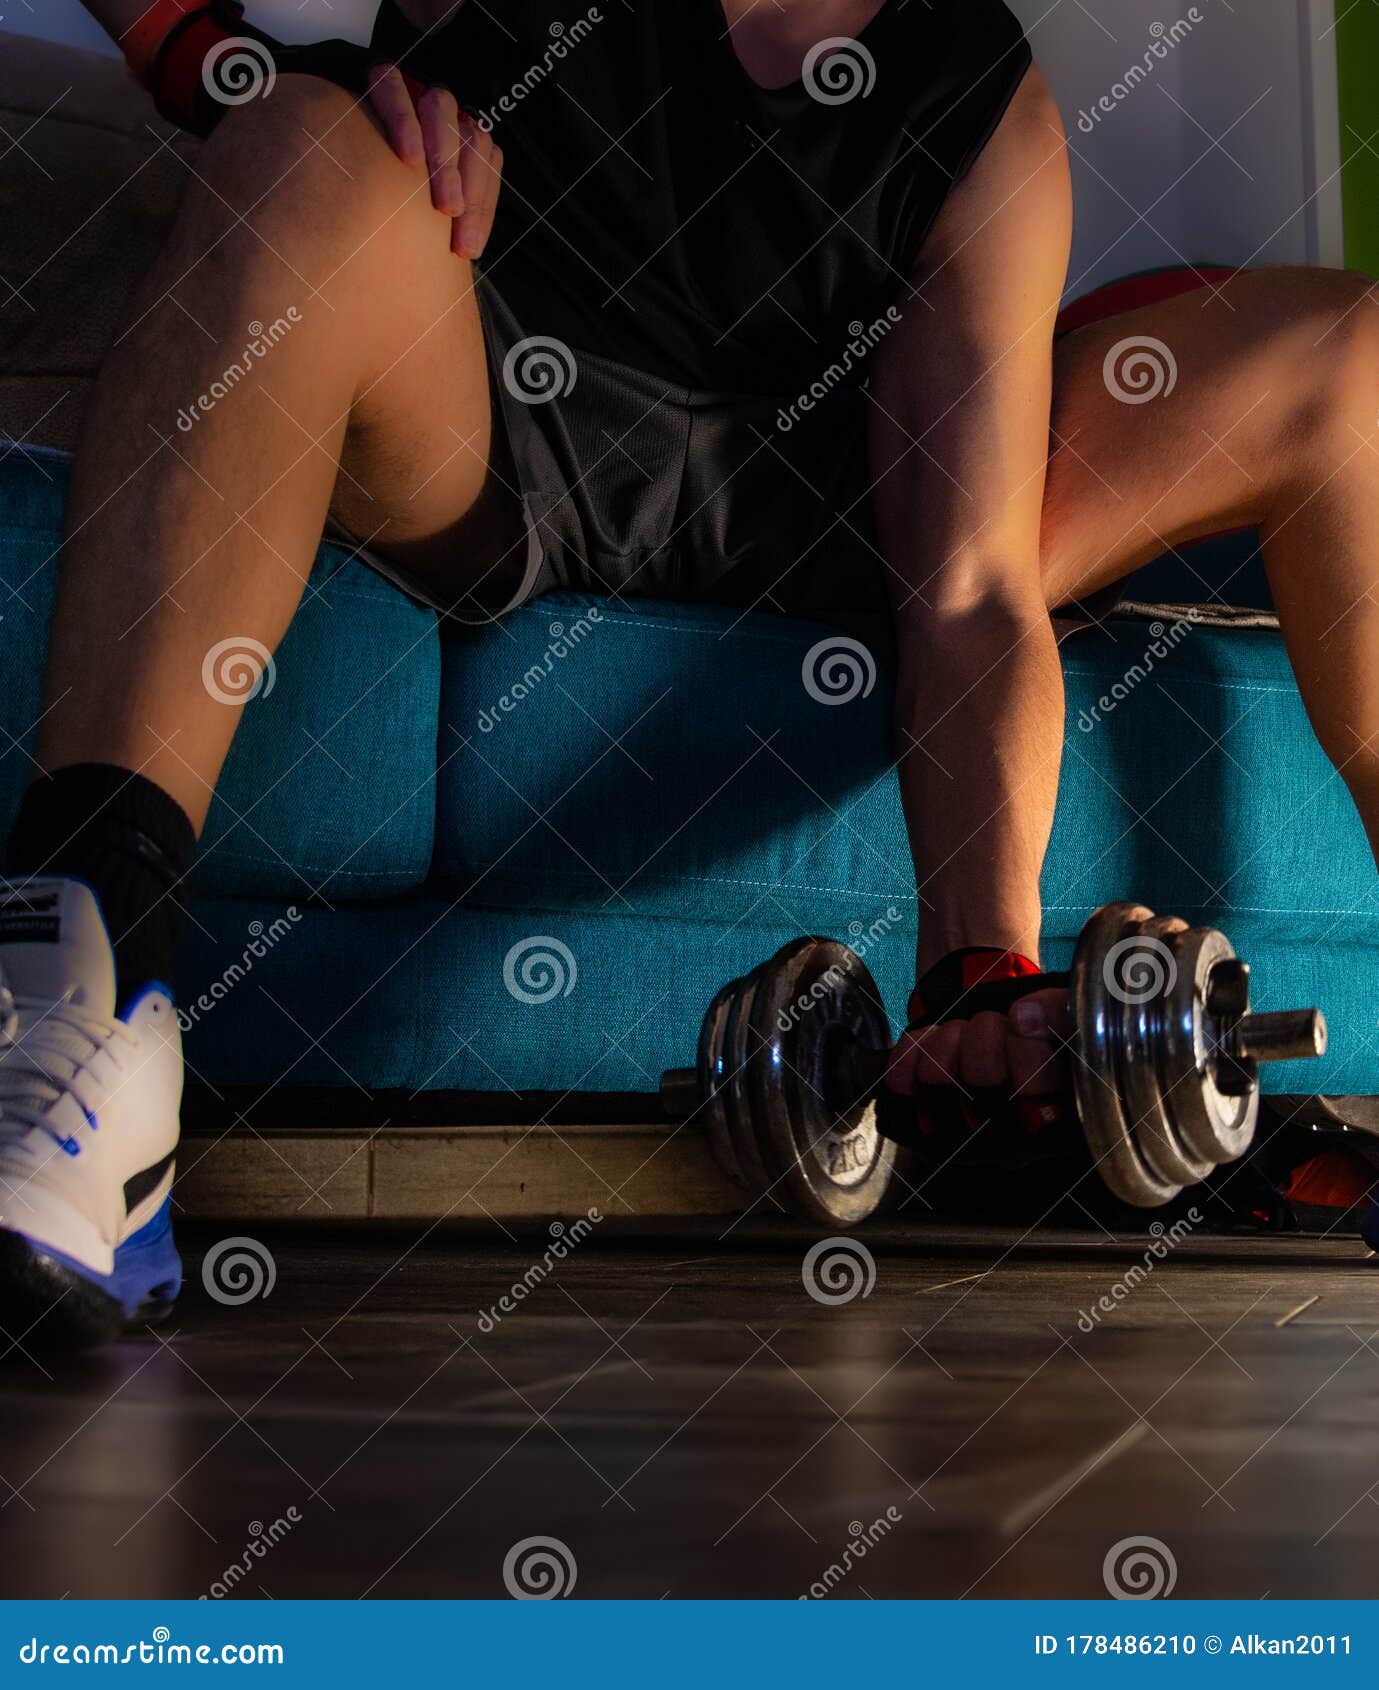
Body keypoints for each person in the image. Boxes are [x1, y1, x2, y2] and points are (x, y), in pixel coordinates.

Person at [1, 0, 1376, 1344]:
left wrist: (983, 971)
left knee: (1354, 363)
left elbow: (965, 589)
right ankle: (88, 997)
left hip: (832, 516)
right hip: (496, 420)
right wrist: (212, 53)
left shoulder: (976, 93)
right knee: (297, 142)